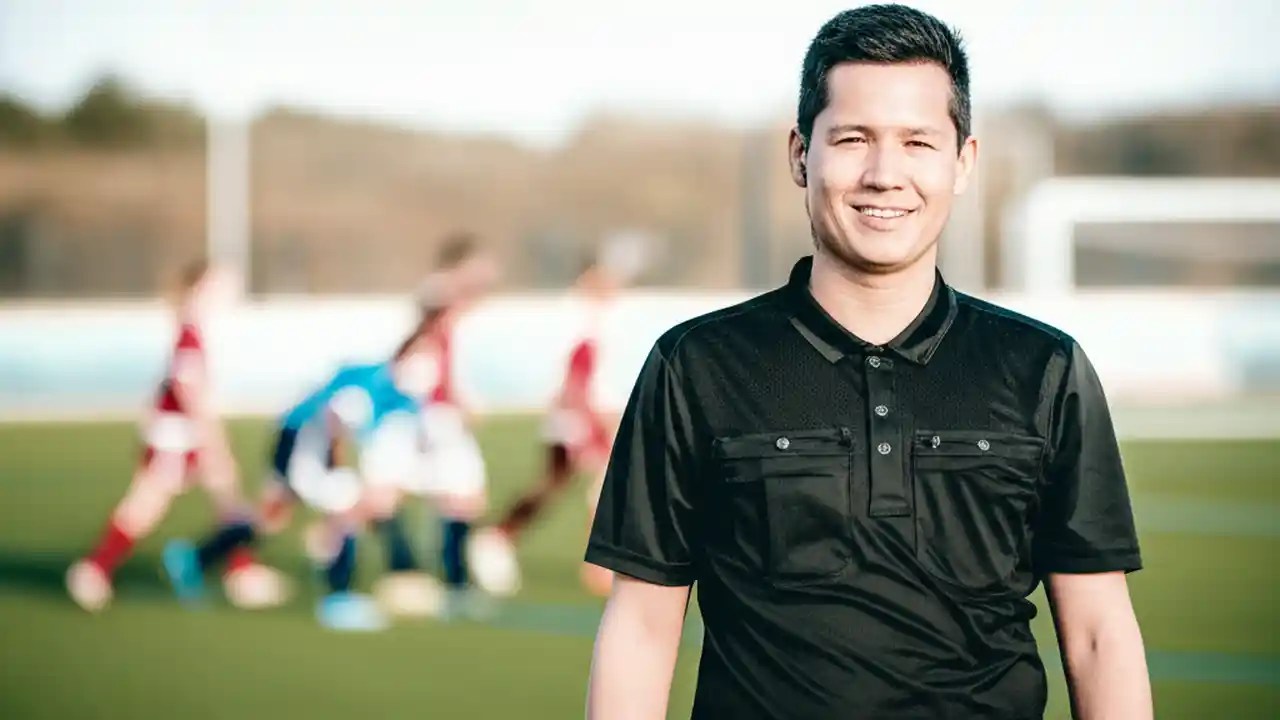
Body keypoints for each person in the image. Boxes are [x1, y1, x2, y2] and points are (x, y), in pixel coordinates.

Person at [584, 5, 1152, 719]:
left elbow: (1100, 632)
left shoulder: (1044, 368)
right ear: (800, 154)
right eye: (853, 138)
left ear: (963, 162)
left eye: (918, 142)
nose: (886, 174)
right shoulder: (695, 366)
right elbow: (640, 626)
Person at [66, 260, 288, 613]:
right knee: (146, 506)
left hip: (183, 434)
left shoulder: (194, 330)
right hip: (178, 437)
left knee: (227, 499)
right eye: (220, 287)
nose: (228, 295)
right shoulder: (190, 334)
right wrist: (212, 440)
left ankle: (242, 574)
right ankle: (94, 570)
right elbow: (188, 392)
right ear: (200, 289)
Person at [470, 243, 636, 598]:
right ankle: (599, 563)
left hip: (579, 414)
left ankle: (501, 537)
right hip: (577, 416)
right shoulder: (579, 317)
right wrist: (590, 416)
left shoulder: (595, 316)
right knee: (598, 481)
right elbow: (575, 374)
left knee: (568, 482)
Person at [256, 321, 442, 631]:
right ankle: (338, 597)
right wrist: (341, 470)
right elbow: (336, 422)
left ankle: (204, 558)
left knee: (338, 509)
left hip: (319, 450)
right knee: (332, 507)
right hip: (301, 441)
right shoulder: (368, 383)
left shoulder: (405, 393)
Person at [407, 234, 499, 605]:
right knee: (460, 496)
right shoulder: (438, 296)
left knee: (462, 496)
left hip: (442, 411)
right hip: (438, 413)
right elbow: (430, 350)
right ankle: (454, 582)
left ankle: (450, 577)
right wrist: (456, 399)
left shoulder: (452, 304)